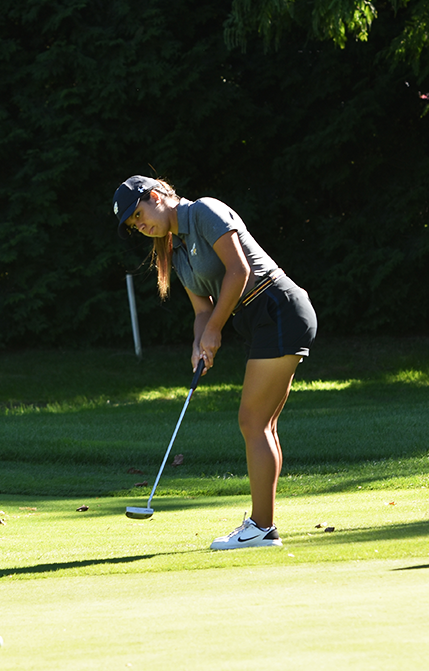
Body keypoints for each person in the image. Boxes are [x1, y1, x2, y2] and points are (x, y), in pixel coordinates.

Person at [112, 175, 317, 550]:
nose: (140, 226)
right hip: (261, 319)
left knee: (253, 421)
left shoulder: (204, 211)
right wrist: (199, 341)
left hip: (278, 307)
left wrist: (216, 331)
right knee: (262, 424)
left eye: (139, 215)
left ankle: (261, 527)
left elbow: (238, 271)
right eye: (134, 225)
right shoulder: (175, 250)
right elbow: (202, 310)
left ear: (157, 196)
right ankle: (263, 526)